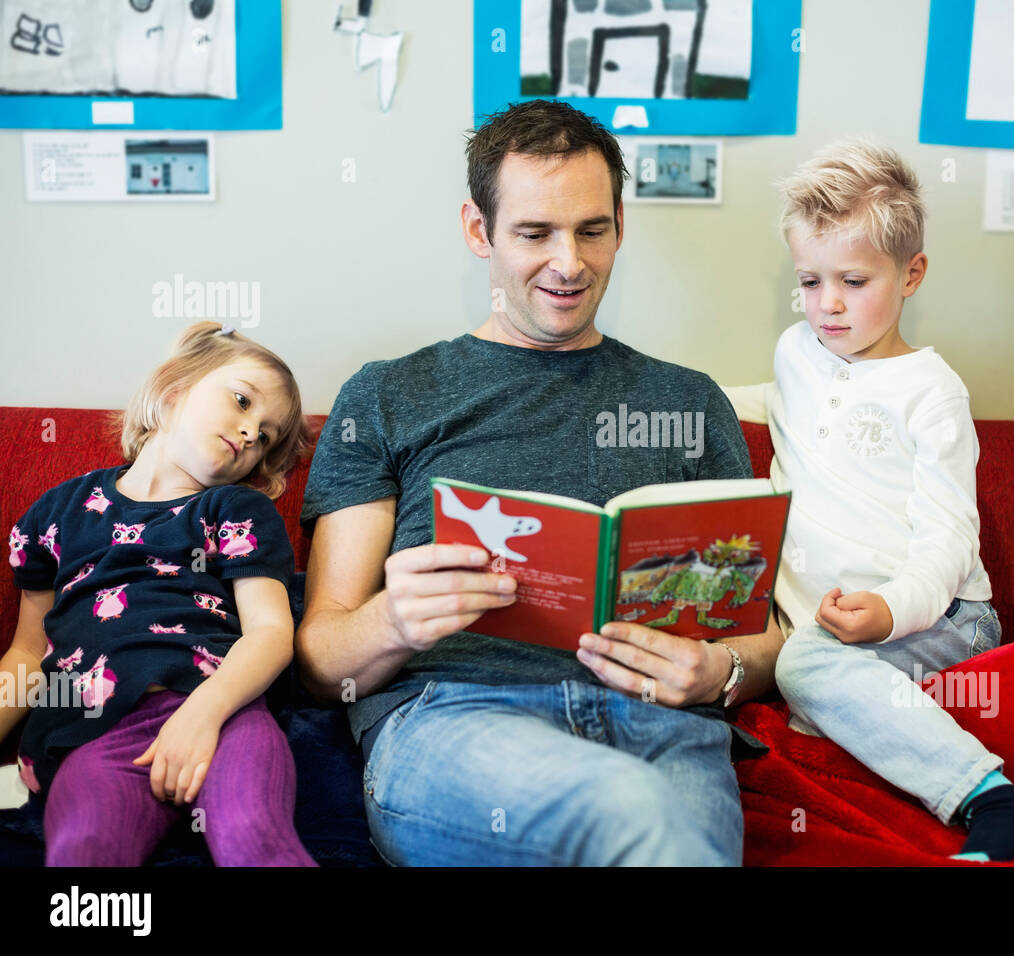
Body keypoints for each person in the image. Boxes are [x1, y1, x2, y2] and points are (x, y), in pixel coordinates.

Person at [295, 99, 783, 867]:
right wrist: (393, 620)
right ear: (477, 230)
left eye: (592, 229)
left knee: (668, 829)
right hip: (458, 716)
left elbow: (762, 633)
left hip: (664, 725)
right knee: (637, 817)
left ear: (620, 223)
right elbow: (323, 660)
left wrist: (723, 671)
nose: (570, 262)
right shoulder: (388, 394)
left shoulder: (690, 402)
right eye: (534, 233)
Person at [724, 140, 1014, 861]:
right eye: (810, 281)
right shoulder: (797, 352)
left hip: (942, 617)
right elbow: (774, 404)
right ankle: (855, 711)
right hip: (832, 625)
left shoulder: (933, 392)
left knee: (804, 668)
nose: (828, 304)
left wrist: (890, 613)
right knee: (803, 672)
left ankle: (993, 797)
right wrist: (678, 404)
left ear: (912, 275)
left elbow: (948, 541)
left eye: (853, 279)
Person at [2, 321, 315, 866]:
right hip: (93, 733)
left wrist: (204, 714)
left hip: (224, 715)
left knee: (254, 837)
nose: (249, 433)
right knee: (83, 850)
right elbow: (29, 654)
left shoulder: (235, 511)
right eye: (242, 402)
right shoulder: (56, 514)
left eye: (264, 436)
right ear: (172, 391)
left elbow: (271, 632)